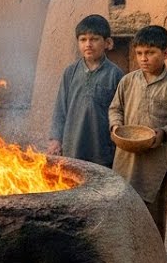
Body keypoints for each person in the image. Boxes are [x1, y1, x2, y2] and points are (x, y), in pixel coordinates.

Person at [109, 25, 167, 239]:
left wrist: (162, 134)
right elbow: (115, 108)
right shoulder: (127, 81)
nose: (144, 58)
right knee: (122, 208)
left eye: (150, 53)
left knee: (151, 219)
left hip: (154, 164)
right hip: (125, 159)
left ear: (165, 53)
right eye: (139, 53)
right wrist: (115, 126)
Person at [48, 14, 123, 167]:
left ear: (107, 43)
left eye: (94, 39)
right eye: (83, 40)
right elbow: (60, 109)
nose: (88, 44)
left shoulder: (115, 75)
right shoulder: (70, 72)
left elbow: (120, 112)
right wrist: (56, 140)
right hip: (73, 145)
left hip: (102, 149)